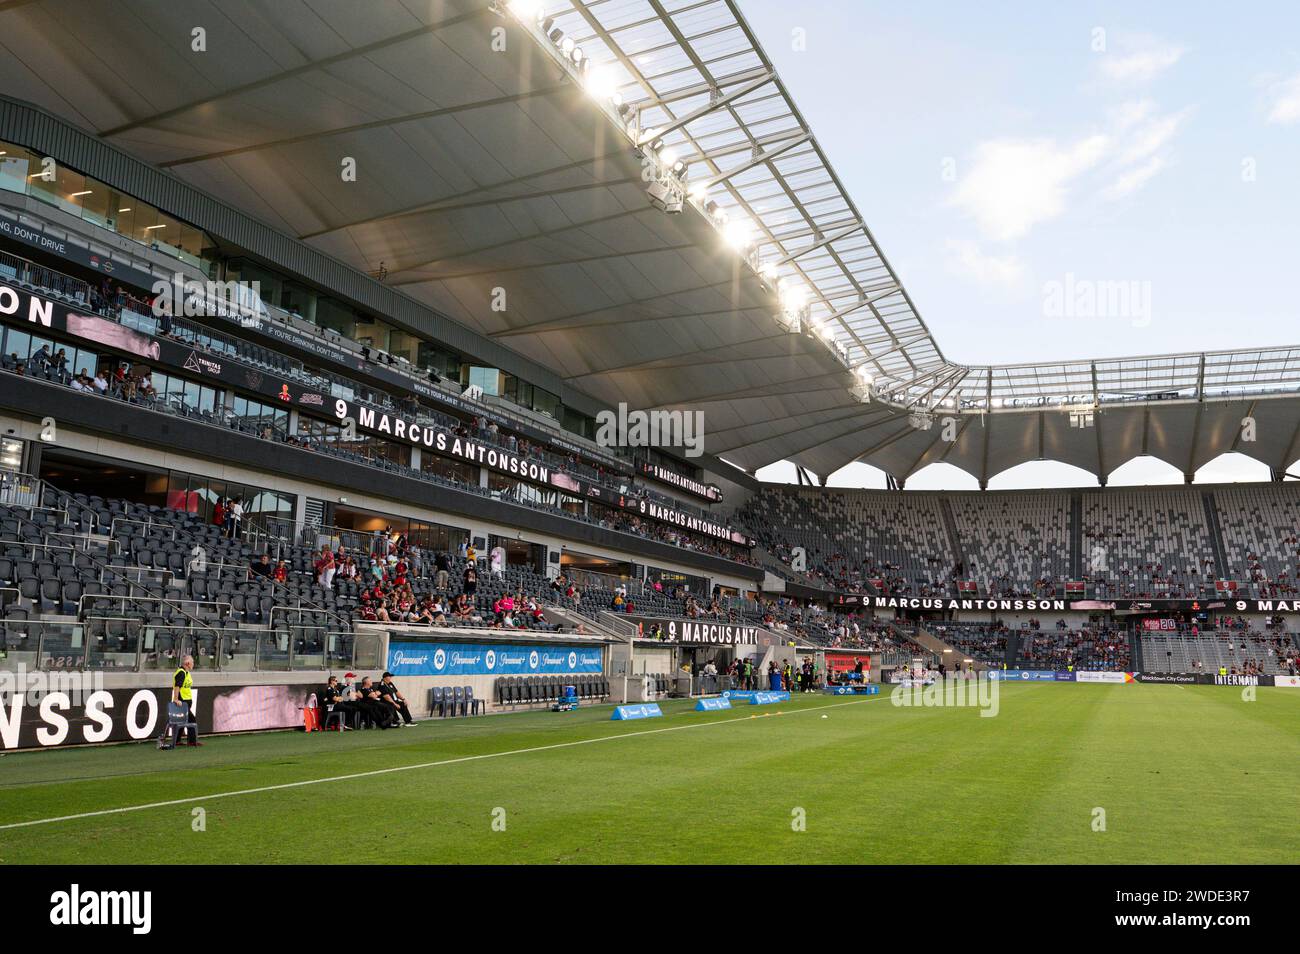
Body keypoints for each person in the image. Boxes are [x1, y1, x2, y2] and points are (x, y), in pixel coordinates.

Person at [168, 655, 199, 746]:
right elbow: (177, 686)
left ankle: (177, 740)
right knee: (191, 719)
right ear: (188, 663)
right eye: (192, 662)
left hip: (187, 700)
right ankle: (192, 741)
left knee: (182, 720)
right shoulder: (181, 673)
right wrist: (176, 699)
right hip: (182, 701)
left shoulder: (186, 672)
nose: (193, 664)